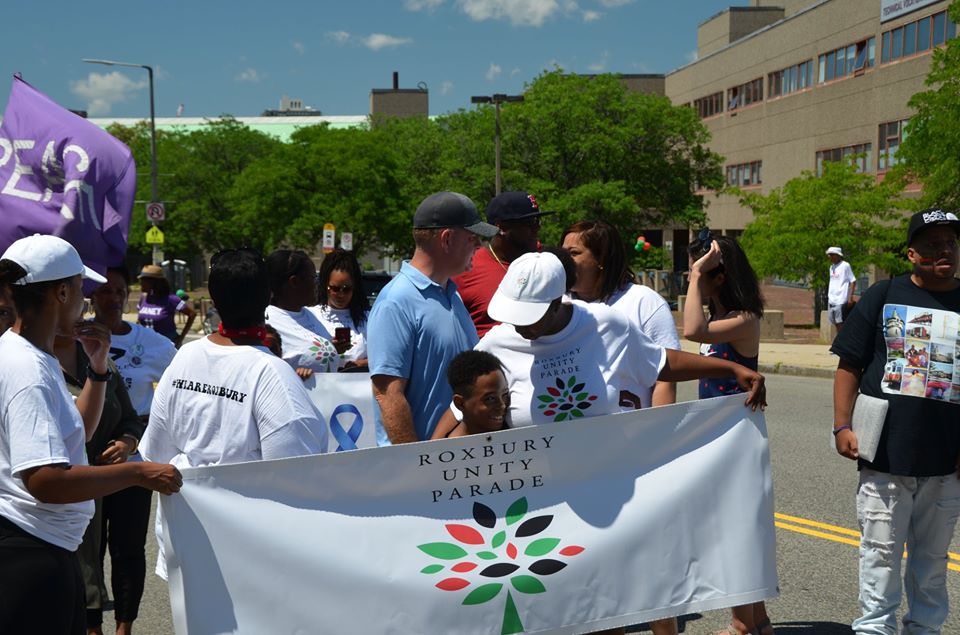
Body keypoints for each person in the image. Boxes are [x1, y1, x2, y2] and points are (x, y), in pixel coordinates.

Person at [0, 234, 181, 635]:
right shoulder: (27, 370)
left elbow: (73, 436)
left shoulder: (26, 354)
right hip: (30, 554)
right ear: (62, 292)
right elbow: (45, 480)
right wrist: (138, 473)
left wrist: (98, 369)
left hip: (41, 548)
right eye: (82, 288)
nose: (86, 299)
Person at [140, 248, 329, 581]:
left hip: (185, 539)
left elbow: (155, 453)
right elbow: (295, 480)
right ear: (267, 296)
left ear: (213, 298)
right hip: (245, 559)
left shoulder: (185, 357)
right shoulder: (272, 374)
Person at [832, 209, 960, 635]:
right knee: (880, 558)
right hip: (885, 453)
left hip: (947, 462)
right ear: (911, 254)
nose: (944, 251)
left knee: (932, 564)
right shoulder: (884, 294)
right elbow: (849, 364)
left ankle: (925, 630)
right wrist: (841, 425)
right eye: (932, 244)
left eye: (951, 243)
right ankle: (874, 630)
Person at [476, 251, 765, 429]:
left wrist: (731, 369)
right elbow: (461, 406)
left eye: (529, 315)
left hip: (607, 482)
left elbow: (661, 363)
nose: (519, 325)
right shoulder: (495, 343)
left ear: (556, 301)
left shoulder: (604, 323)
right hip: (539, 493)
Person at [684, 231, 772, 635]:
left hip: (735, 436)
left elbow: (691, 330)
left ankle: (742, 625)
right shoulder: (723, 318)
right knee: (736, 528)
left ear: (718, 278)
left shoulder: (743, 319)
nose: (692, 275)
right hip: (720, 433)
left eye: (699, 270)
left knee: (735, 530)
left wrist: (694, 276)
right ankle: (757, 622)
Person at [368, 191, 498, 445]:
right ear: (447, 239)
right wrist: (417, 467)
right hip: (424, 471)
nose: (479, 247)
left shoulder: (451, 295)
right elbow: (388, 395)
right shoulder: (395, 302)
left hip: (457, 463)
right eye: (472, 238)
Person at [89, 266, 177, 635]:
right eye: (104, 291)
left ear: (129, 295)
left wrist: (140, 437)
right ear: (90, 296)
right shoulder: (75, 337)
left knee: (128, 549)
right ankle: (92, 625)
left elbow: (179, 389)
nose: (112, 298)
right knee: (88, 552)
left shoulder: (154, 344)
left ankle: (124, 626)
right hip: (87, 463)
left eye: (119, 291)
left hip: (132, 459)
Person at [54, 322, 143, 635]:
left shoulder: (101, 362)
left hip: (114, 480)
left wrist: (126, 442)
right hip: (69, 486)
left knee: (127, 553)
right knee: (83, 569)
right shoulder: (34, 368)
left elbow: (130, 419)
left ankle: (123, 628)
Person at [562, 219, 680, 409]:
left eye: (574, 253)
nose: (564, 260)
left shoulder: (644, 301)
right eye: (563, 252)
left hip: (631, 431)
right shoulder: (555, 304)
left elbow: (664, 377)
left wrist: (659, 431)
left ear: (602, 259)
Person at [453, 191, 551, 337]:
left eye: (538, 221)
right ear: (502, 227)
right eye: (529, 223)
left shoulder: (545, 261)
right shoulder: (466, 268)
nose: (537, 228)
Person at [264, 249, 341, 374]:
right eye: (313, 277)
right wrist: (295, 375)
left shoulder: (309, 314)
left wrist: (332, 347)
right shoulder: (267, 321)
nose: (317, 284)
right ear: (294, 282)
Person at [309, 248, 370, 371]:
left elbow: (385, 356)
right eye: (335, 289)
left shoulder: (369, 319)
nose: (341, 294)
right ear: (325, 285)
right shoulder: (310, 316)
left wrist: (362, 364)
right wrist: (330, 349)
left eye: (346, 289)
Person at [431, 350, 510, 439]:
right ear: (460, 403)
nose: (502, 405)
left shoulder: (514, 436)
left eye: (505, 394)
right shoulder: (448, 449)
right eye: (490, 399)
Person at [136, 265, 196, 347]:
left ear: (154, 282)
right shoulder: (143, 298)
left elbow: (192, 314)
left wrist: (181, 338)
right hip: (146, 345)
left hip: (167, 346)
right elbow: (139, 321)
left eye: (143, 280)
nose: (141, 283)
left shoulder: (171, 299)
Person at [826, 246, 857, 332]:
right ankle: (839, 341)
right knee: (835, 322)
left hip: (841, 298)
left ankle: (843, 341)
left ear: (838, 255)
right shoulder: (831, 267)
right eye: (829, 255)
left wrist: (850, 297)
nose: (830, 257)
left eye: (832, 255)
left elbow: (853, 281)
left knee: (840, 322)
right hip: (832, 299)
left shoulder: (845, 265)